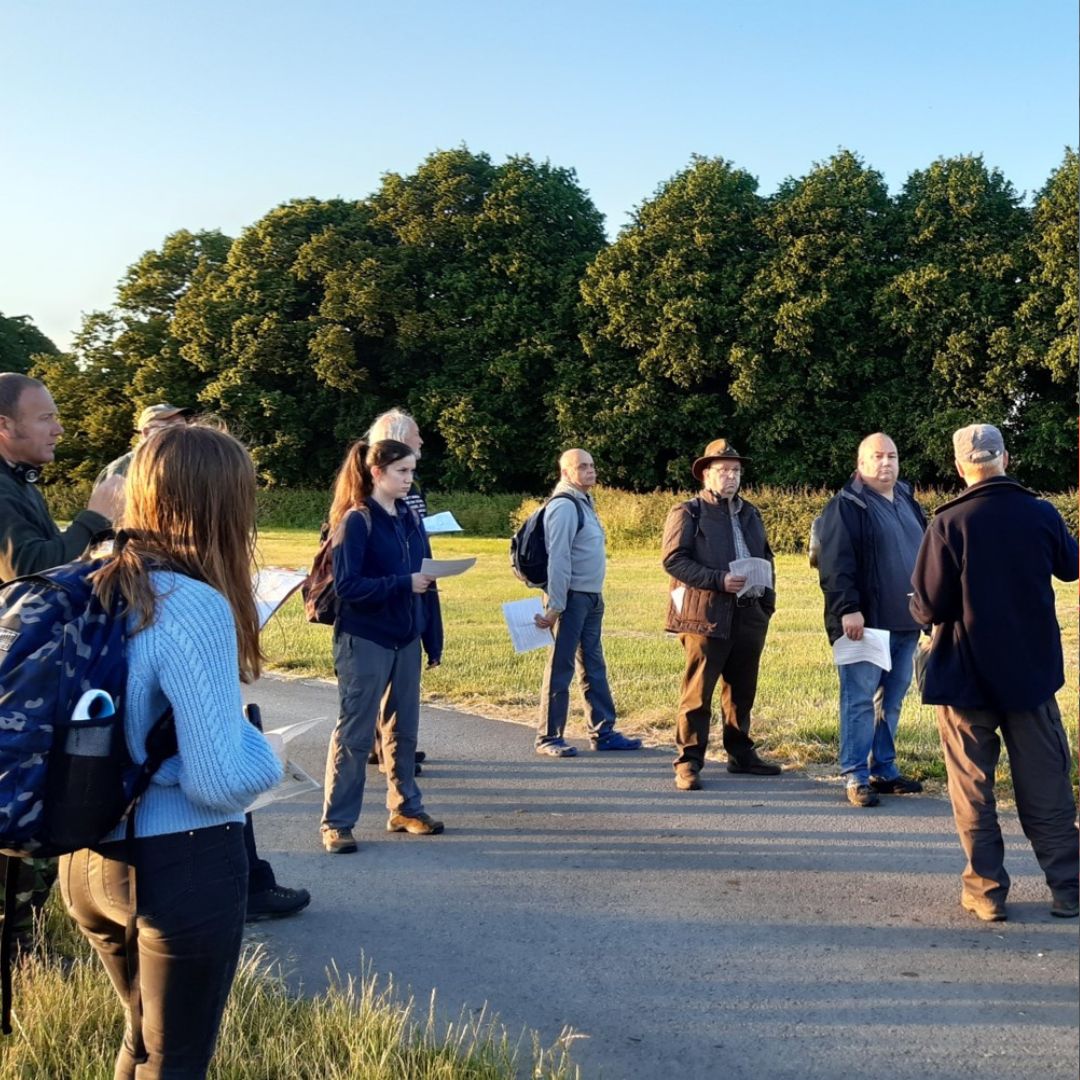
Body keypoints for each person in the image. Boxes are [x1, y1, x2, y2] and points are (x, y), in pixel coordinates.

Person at [58, 423, 284, 1078]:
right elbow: (218, 780)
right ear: (222, 506)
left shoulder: (90, 584)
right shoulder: (192, 605)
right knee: (176, 1062)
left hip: (86, 859)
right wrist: (268, 756)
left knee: (140, 1045)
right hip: (179, 862)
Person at [910, 424, 1079, 923]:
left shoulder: (948, 522)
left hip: (964, 676)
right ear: (1005, 457)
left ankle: (986, 893)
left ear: (960, 467)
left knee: (974, 790)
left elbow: (929, 606)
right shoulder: (1041, 513)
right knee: (1047, 785)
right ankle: (1068, 888)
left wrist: (918, 608)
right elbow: (1071, 567)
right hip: (1030, 676)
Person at [0, 372, 124, 949]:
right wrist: (93, 519)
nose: (59, 428)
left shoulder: (20, 483)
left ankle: (24, 947)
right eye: (46, 417)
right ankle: (16, 953)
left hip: (32, 672)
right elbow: (31, 569)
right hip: (16, 679)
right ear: (5, 426)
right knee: (17, 808)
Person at [320, 439, 444, 853]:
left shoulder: (410, 518)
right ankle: (337, 823)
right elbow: (347, 586)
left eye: (412, 471)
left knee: (404, 729)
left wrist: (433, 639)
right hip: (365, 638)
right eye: (401, 472)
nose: (409, 480)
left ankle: (406, 808)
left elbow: (428, 579)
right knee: (355, 734)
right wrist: (402, 584)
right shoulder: (356, 520)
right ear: (377, 473)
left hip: (406, 638)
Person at [661, 439, 782, 791]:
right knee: (698, 692)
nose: (731, 476)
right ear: (706, 475)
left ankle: (740, 753)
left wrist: (767, 604)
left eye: (736, 470)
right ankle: (688, 760)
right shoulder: (688, 512)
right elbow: (673, 560)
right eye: (723, 470)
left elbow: (766, 558)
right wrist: (719, 580)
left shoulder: (750, 513)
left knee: (742, 690)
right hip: (705, 614)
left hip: (750, 613)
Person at [816, 433, 927, 808]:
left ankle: (884, 769)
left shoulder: (907, 499)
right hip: (864, 623)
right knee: (860, 699)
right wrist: (848, 608)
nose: (886, 463)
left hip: (907, 620)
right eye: (877, 456)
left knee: (891, 701)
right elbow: (835, 564)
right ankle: (855, 774)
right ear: (861, 463)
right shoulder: (846, 506)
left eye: (891, 456)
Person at [532, 449, 641, 756]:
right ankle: (548, 737)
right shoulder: (564, 506)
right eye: (582, 466)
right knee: (560, 666)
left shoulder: (584, 501)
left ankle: (603, 732)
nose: (590, 470)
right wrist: (555, 606)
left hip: (590, 596)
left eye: (592, 465)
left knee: (593, 664)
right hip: (570, 598)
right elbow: (558, 558)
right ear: (566, 472)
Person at [365, 408, 429, 775]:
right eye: (416, 434)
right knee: (377, 686)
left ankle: (394, 748)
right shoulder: (365, 498)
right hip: (380, 604)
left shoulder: (405, 488)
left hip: (407, 598)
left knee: (399, 687)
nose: (421, 440)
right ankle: (385, 750)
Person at [95, 402, 194, 483]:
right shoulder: (123, 467)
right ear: (146, 433)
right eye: (171, 428)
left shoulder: (192, 459)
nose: (181, 433)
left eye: (182, 426)